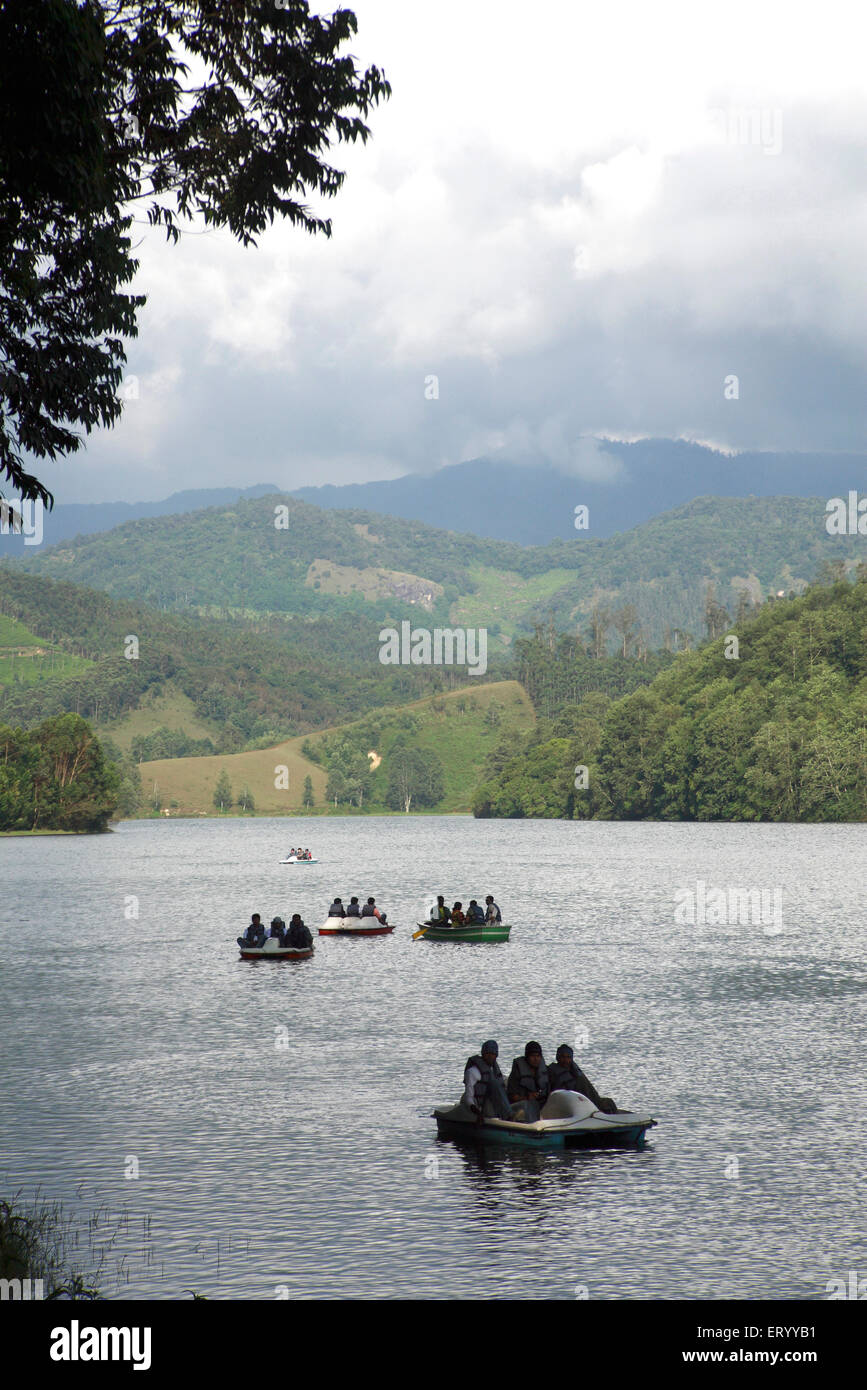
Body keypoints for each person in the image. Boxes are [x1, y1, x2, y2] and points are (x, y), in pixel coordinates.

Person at [547, 1044, 619, 1114]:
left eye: (568, 1057)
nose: (565, 1060)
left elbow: (590, 1090)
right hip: (566, 1103)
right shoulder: (552, 1071)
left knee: (609, 1102)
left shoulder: (575, 1072)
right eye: (563, 1057)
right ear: (558, 1058)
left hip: (582, 1100)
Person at [462, 1041, 512, 1120]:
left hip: (495, 1106)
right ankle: (510, 1115)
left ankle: (511, 1114)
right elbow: (469, 1098)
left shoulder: (495, 1071)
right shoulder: (472, 1072)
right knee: (494, 1083)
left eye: (493, 1054)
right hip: (481, 1107)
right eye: (487, 1053)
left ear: (496, 1055)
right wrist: (477, 1113)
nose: (490, 1056)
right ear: (482, 1054)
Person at [507, 1042, 549, 1121]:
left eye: (538, 1056)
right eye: (533, 1056)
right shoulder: (517, 1072)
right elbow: (512, 1097)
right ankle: (532, 1128)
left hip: (540, 1106)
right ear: (527, 1057)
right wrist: (527, 1097)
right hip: (520, 1105)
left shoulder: (545, 1071)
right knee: (529, 1104)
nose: (536, 1059)